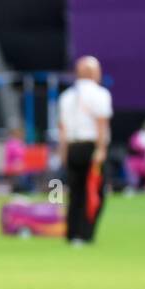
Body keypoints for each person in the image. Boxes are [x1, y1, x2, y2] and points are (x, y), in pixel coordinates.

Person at [57, 56, 112, 244]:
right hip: (90, 147)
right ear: (93, 73)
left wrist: (63, 153)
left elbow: (62, 129)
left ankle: (72, 233)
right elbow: (101, 124)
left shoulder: (66, 97)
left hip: (72, 148)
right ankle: (85, 234)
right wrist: (101, 149)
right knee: (95, 192)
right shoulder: (100, 94)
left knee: (75, 192)